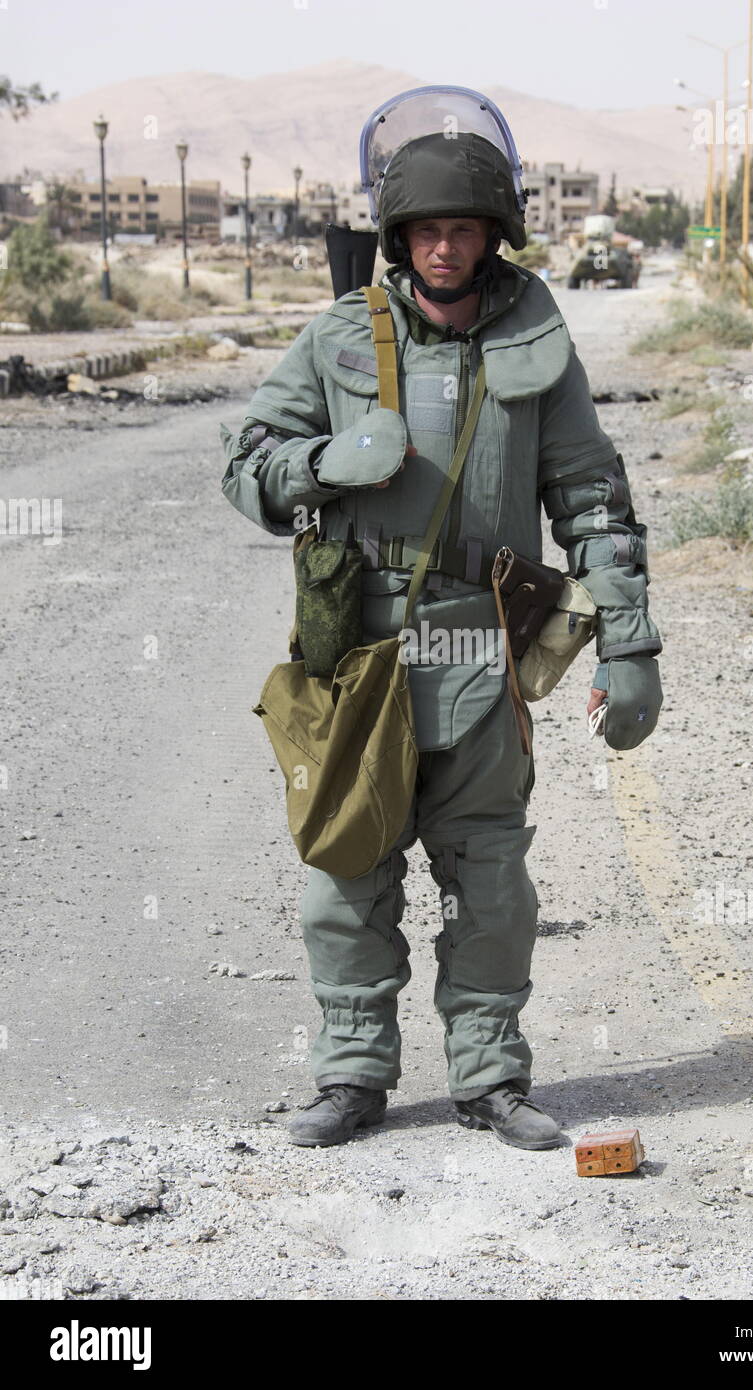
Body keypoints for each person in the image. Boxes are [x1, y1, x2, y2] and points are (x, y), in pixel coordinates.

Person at [220, 87, 662, 1152]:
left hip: (483, 652)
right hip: (358, 652)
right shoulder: (335, 340)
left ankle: (491, 1078)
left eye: (462, 226)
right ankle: (352, 1077)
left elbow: (594, 500)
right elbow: (243, 465)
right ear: (398, 235)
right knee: (346, 874)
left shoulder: (537, 342)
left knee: (493, 880)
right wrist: (322, 462)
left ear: (493, 233)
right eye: (425, 228)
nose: (444, 247)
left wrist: (632, 643)